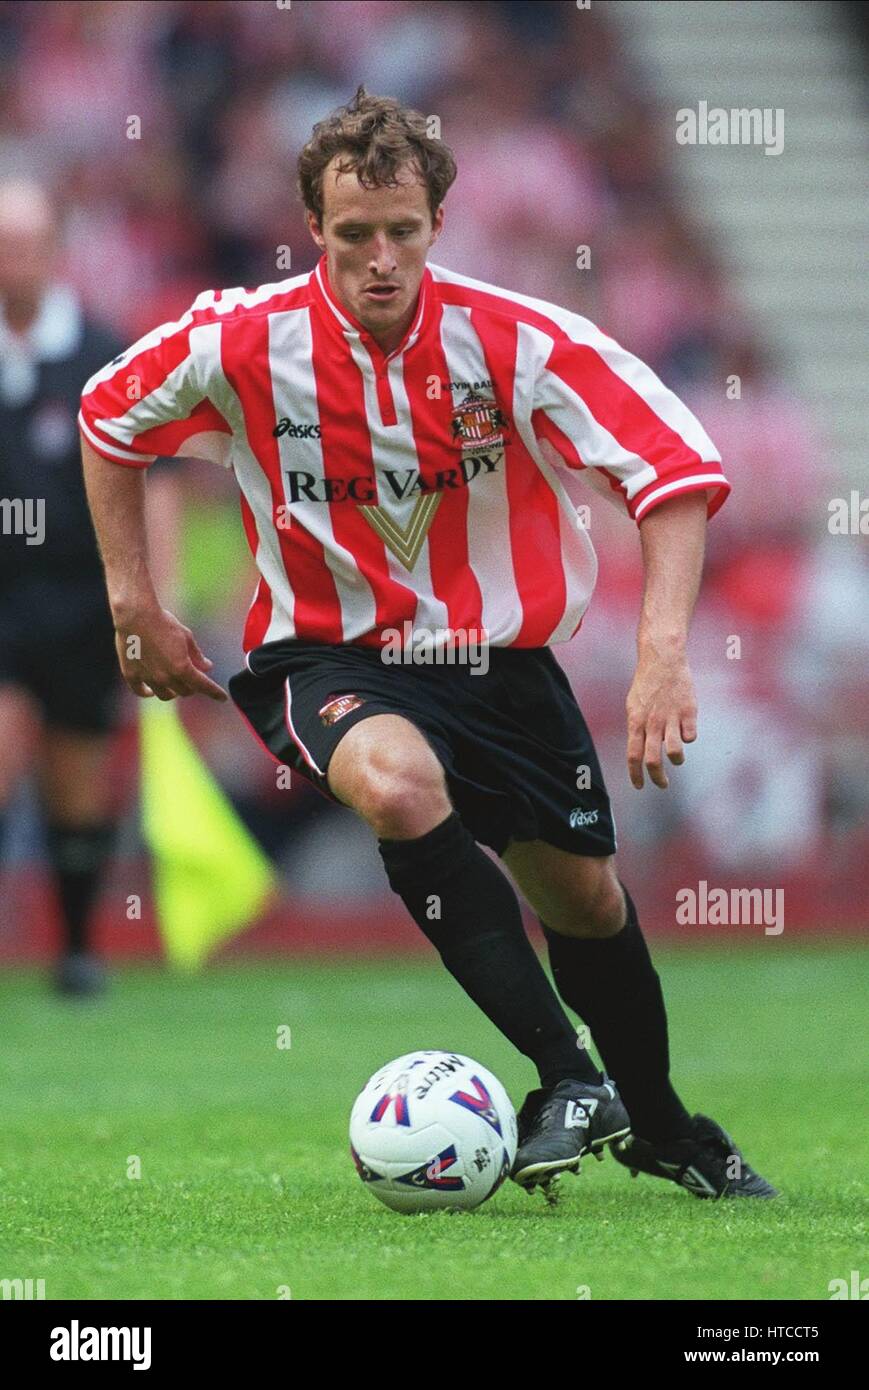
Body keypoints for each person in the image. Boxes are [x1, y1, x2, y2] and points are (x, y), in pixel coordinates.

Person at [78, 88, 775, 1199]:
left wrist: (661, 652)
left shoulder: (520, 341)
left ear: (436, 224)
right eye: (353, 236)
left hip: (499, 666)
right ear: (314, 229)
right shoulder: (239, 342)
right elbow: (108, 417)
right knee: (395, 787)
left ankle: (659, 1124)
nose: (380, 260)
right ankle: (563, 1071)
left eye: (401, 232)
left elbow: (672, 473)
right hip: (324, 653)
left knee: (584, 903)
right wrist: (135, 602)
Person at [0, 178, 176, 997]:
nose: (10, 262)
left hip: (79, 602)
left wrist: (155, 603)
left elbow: (159, 485)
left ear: (53, 251)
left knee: (76, 775)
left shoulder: (102, 353)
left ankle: (75, 948)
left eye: (22, 244)